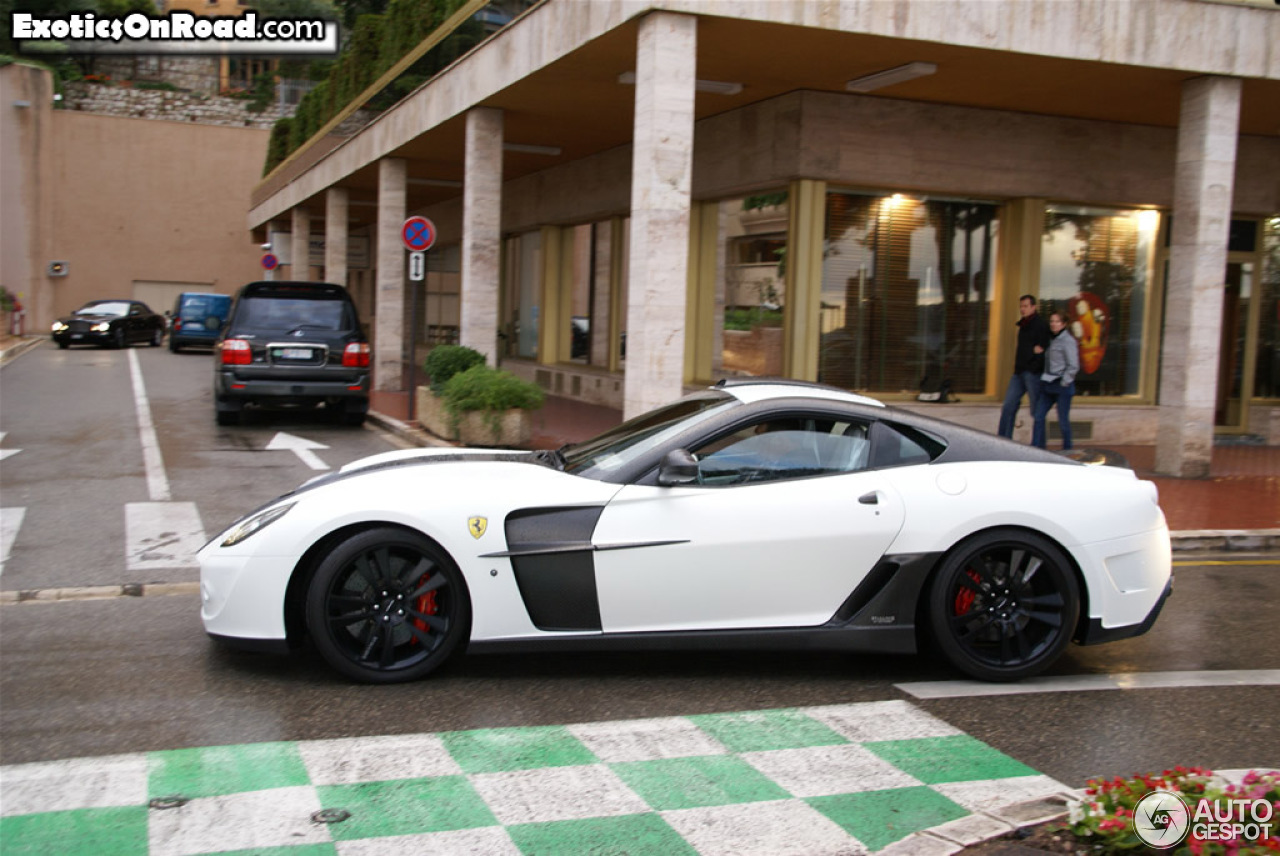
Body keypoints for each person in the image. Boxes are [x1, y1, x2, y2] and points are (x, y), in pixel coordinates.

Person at [997, 294, 1050, 439]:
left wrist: (1034, 365)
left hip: (1033, 374)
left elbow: (1043, 349)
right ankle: (1002, 441)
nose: (1022, 309)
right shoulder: (1023, 325)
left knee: (1037, 411)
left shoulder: (1041, 325)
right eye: (1021, 306)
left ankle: (1039, 445)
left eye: (1026, 306)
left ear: (1034, 307)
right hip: (1019, 373)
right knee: (1008, 406)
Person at [1032, 311, 1080, 449]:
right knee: (1038, 416)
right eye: (1052, 321)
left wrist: (1064, 382)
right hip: (1047, 383)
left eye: (1057, 321)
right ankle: (1036, 449)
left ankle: (1068, 451)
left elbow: (1073, 365)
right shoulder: (1050, 338)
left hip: (1061, 385)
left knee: (1063, 421)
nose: (1053, 324)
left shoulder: (1068, 341)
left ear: (1064, 324)